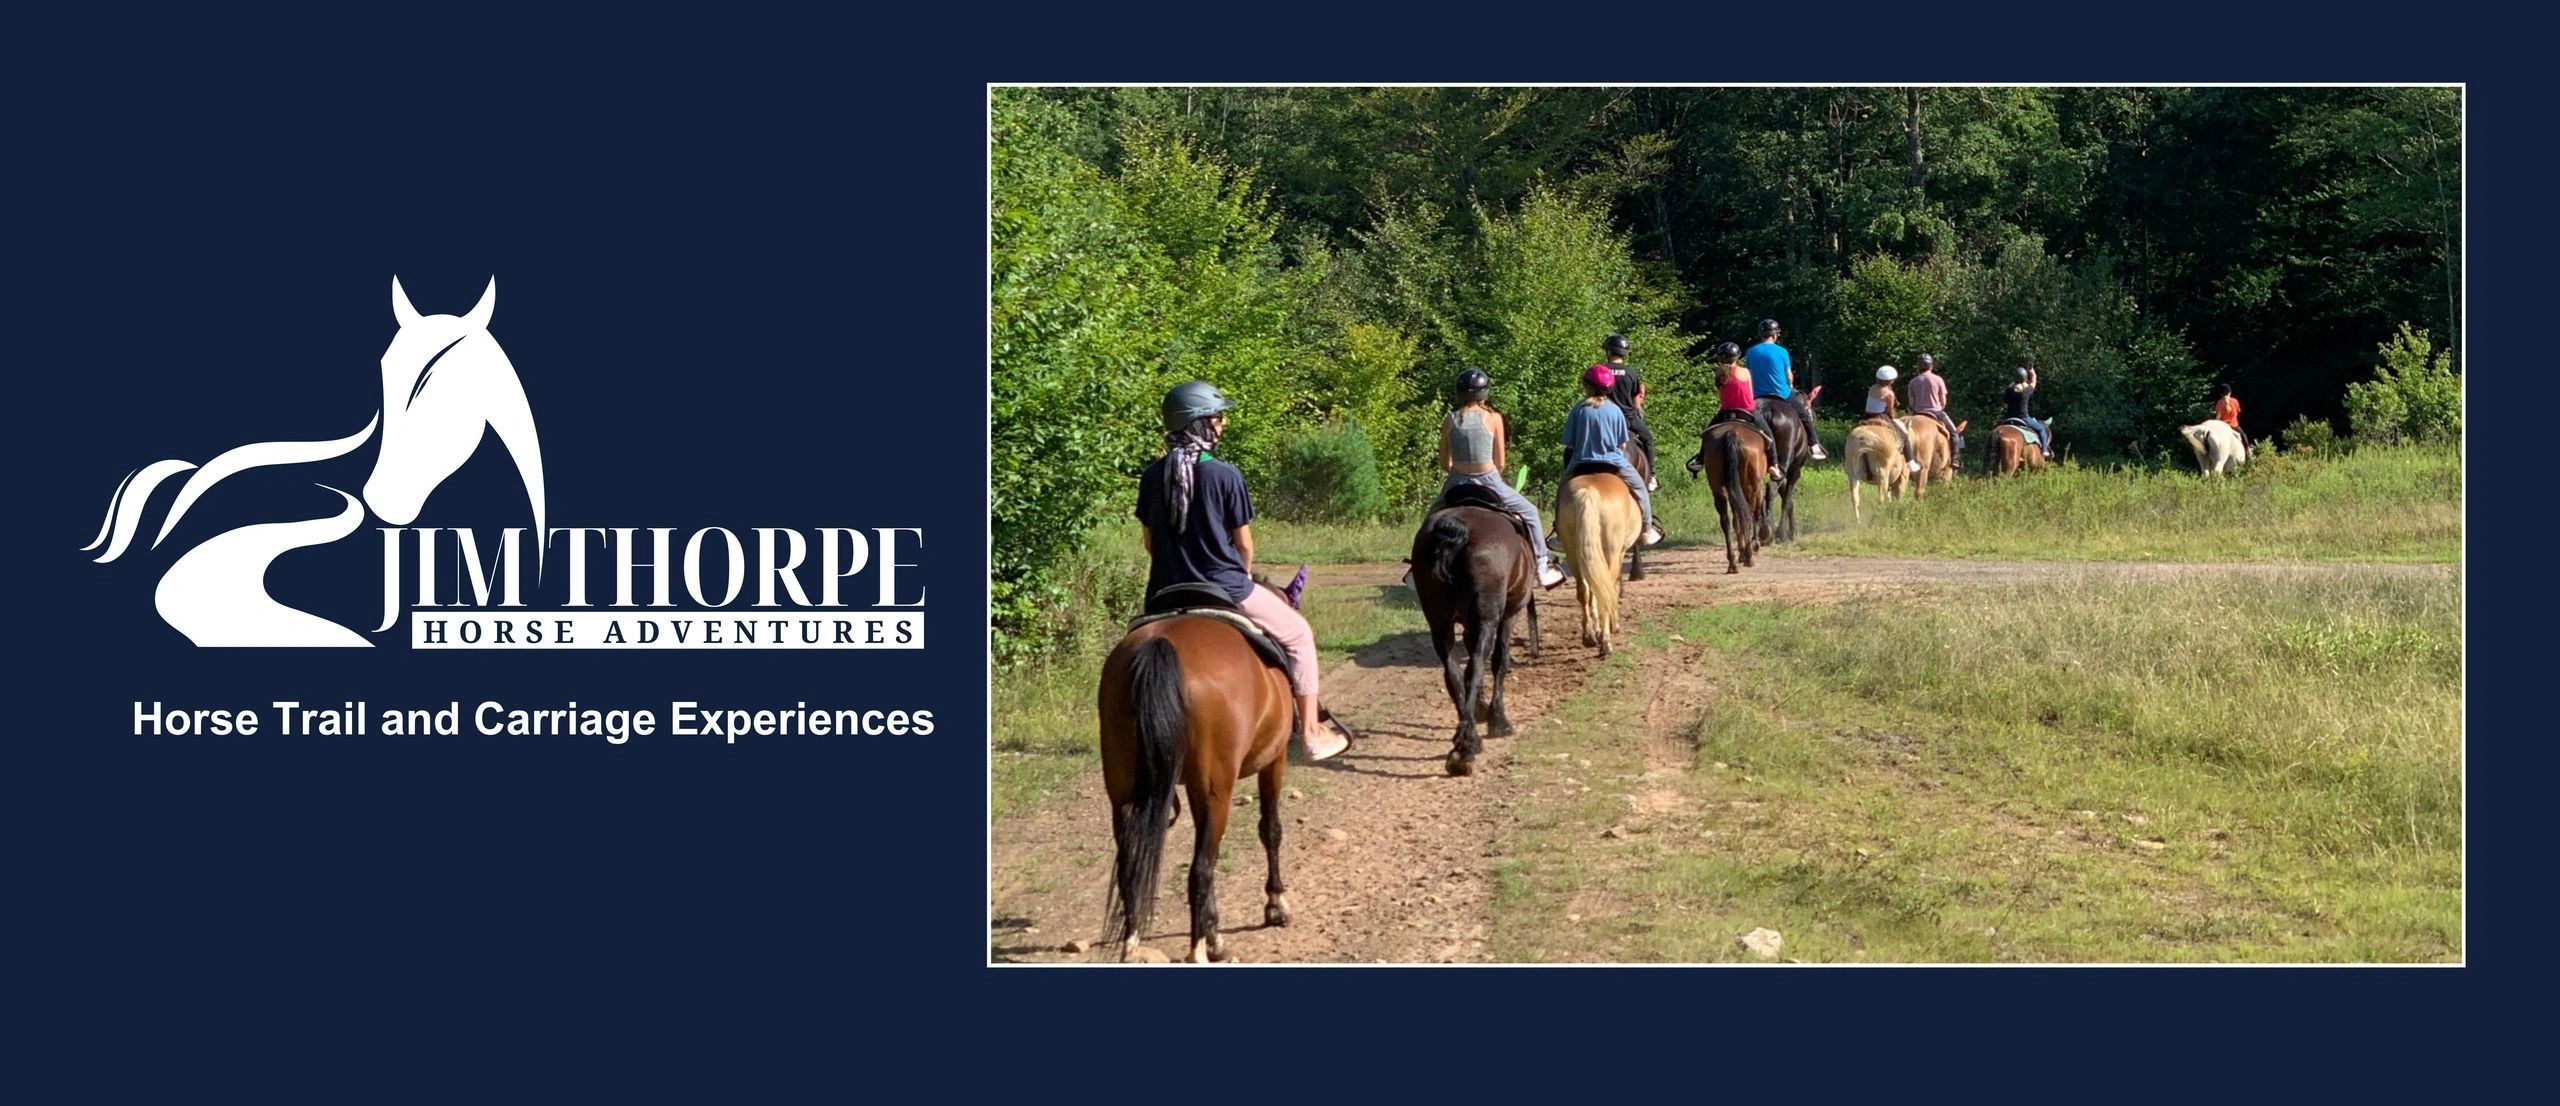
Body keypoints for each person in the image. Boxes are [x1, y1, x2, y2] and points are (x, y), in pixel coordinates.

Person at [1136, 380, 1353, 761]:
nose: (1222, 424)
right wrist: (1244, 576)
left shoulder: (1153, 476)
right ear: (1199, 423)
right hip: (1224, 586)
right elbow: (1244, 545)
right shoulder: (1225, 475)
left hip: (1163, 590)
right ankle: (1313, 735)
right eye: (1217, 417)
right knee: (1299, 635)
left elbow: (1150, 544)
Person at [1432, 367, 1567, 590]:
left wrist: (1458, 471)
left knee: (1431, 518)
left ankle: (1416, 568)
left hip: (1456, 481)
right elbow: (1501, 462)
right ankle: (1542, 565)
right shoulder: (1494, 418)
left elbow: (1444, 463)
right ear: (1484, 393)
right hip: (1488, 479)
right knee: (1531, 513)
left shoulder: (1450, 419)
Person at [1554, 364, 1663, 547]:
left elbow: (1570, 443)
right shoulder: (1615, 410)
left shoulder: (1578, 409)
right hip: (1613, 463)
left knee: (1561, 491)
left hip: (1581, 462)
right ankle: (1647, 529)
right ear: (1610, 388)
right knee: (1640, 489)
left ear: (1586, 386)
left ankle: (1558, 532)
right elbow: (1622, 443)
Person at [1745, 318, 1826, 459]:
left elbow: (1750, 373)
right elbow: (1788, 375)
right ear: (1775, 335)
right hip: (1781, 393)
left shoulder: (1751, 352)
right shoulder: (1782, 351)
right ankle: (1814, 445)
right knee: (1804, 415)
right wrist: (1790, 385)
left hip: (1757, 395)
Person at [1600, 333, 1657, 491]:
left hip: (1603, 418)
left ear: (1608, 352)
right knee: (1647, 439)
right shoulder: (1631, 373)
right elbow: (1634, 398)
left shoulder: (1601, 370)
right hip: (1628, 418)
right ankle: (1651, 476)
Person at [1713, 341, 1778, 445]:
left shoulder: (1719, 374)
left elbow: (1720, 396)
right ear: (1736, 357)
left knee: (1707, 433)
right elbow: (1751, 394)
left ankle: (1700, 457)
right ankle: (1774, 460)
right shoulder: (1745, 371)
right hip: (1748, 410)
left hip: (1727, 410)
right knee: (1769, 434)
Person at [1862, 365, 1920, 473]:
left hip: (1866, 415)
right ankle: (1911, 462)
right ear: (1891, 381)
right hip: (1879, 416)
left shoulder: (1873, 387)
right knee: (1903, 435)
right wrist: (1892, 418)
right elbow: (1890, 411)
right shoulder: (1889, 394)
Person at [1906, 353, 1958, 444]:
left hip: (1918, 413)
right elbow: (1943, 401)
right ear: (1931, 365)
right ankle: (1955, 457)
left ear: (1918, 367)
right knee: (1954, 432)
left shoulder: (1913, 382)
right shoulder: (1938, 380)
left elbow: (1911, 404)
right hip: (1936, 413)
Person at [2003, 365, 2053, 456]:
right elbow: (2034, 381)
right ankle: (2045, 450)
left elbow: (2005, 401)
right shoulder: (2026, 390)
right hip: (2023, 418)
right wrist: (2032, 372)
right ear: (2025, 378)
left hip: (2008, 418)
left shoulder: (2009, 390)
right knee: (2041, 428)